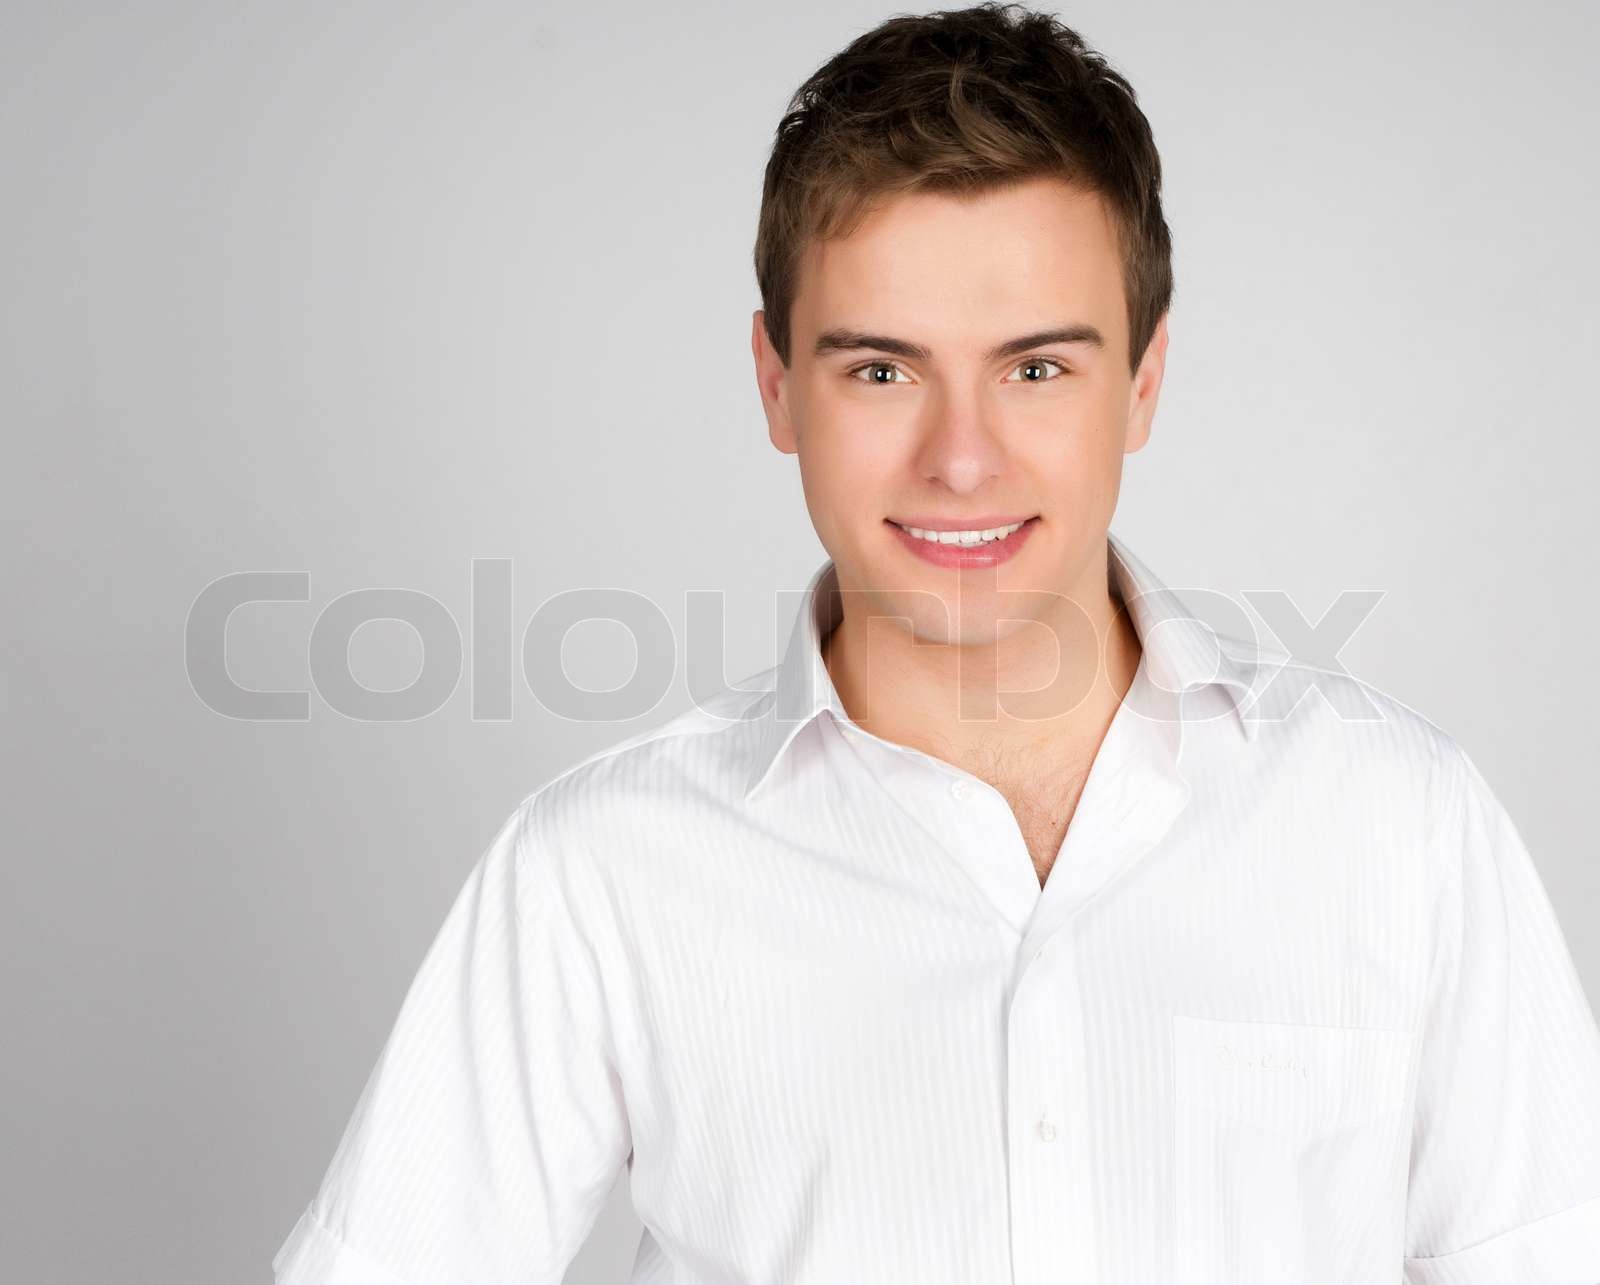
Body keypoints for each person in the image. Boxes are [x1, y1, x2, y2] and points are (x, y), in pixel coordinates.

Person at [273, 4, 1600, 1282]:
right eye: (881, 370)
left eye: (1035, 369)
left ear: (1141, 381)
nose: (960, 460)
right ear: (775, 385)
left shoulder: (1399, 820)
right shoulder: (599, 873)